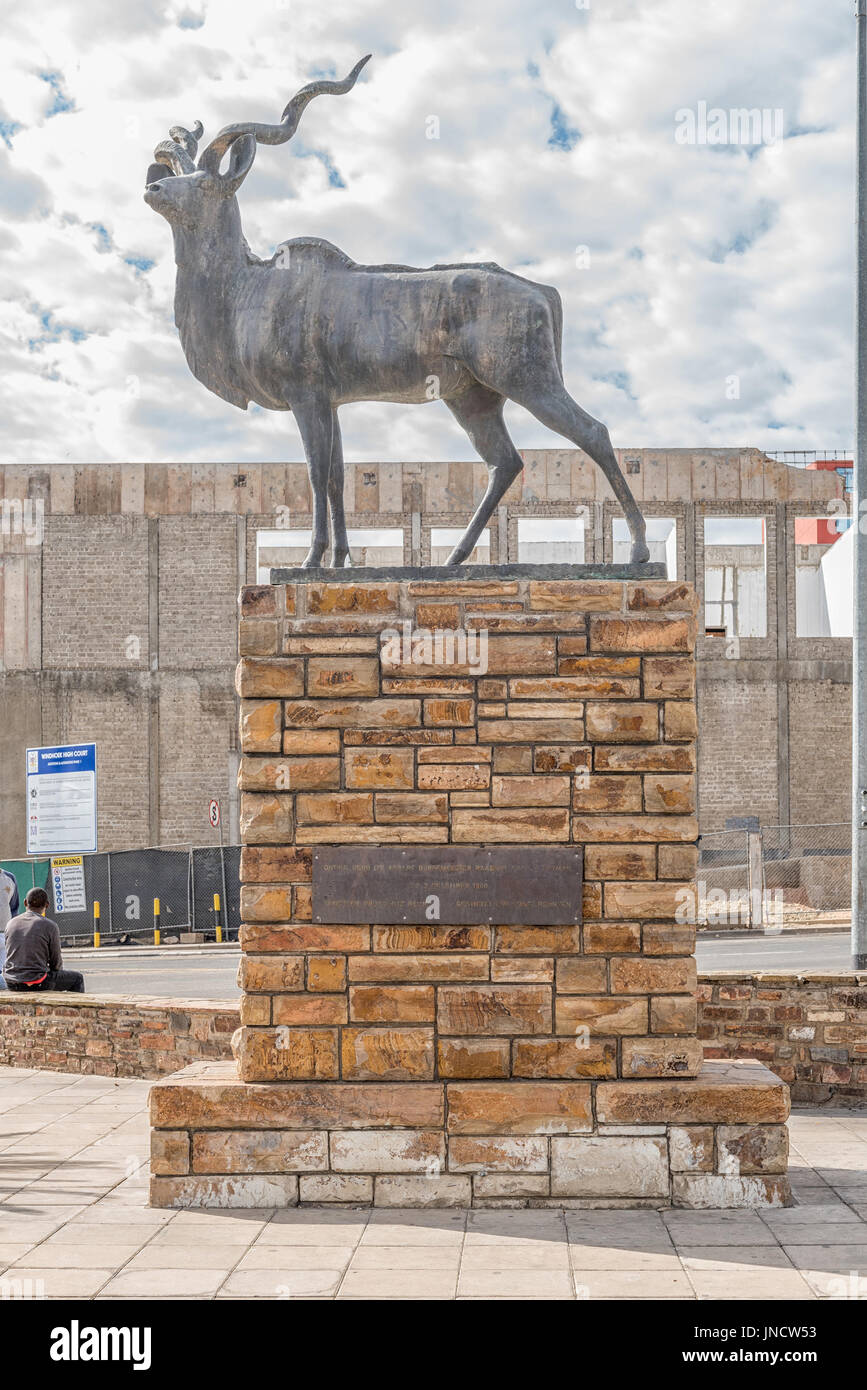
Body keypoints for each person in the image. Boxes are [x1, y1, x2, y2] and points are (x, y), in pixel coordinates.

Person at [3, 887, 85, 993]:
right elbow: (56, 961)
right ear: (47, 905)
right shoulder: (50, 925)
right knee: (77, 979)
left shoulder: (11, 923)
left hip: (12, 982)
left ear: (25, 903)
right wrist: (56, 973)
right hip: (37, 982)